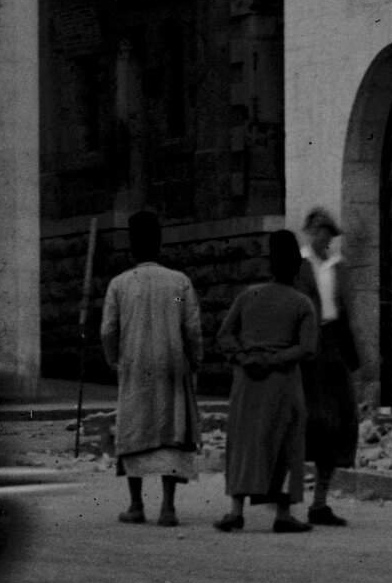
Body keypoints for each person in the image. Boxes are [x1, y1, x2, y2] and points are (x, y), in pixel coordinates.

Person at [99, 207, 204, 527]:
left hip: (134, 366)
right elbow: (192, 329)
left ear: (132, 246)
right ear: (159, 243)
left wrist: (114, 358)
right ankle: (168, 507)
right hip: (171, 367)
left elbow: (107, 330)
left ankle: (135, 504)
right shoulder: (179, 283)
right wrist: (194, 360)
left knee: (134, 430)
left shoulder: (119, 285)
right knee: (170, 431)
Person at [216, 233, 320, 535]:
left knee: (243, 442)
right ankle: (283, 513)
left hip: (247, 381)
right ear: (297, 267)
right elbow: (308, 348)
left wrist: (244, 356)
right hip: (283, 381)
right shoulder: (302, 303)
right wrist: (275, 359)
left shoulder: (248, 296)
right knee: (286, 442)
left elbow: (225, 335)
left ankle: (236, 510)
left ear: (269, 265)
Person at [297, 205, 360, 527]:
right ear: (311, 232)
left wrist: (352, 355)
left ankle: (320, 501)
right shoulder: (299, 266)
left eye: (331, 236)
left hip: (332, 348)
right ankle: (286, 496)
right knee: (303, 421)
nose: (327, 241)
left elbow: (346, 312)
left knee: (337, 422)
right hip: (306, 350)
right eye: (323, 234)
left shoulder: (338, 268)